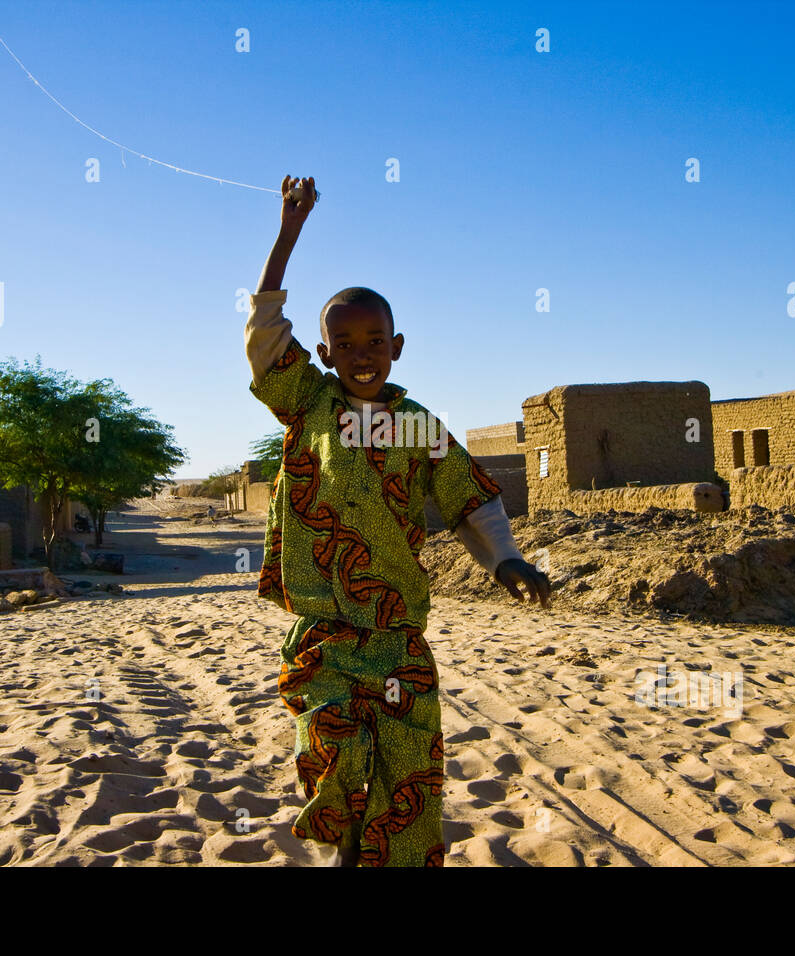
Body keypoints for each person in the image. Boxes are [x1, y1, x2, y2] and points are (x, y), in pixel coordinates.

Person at [246, 174, 550, 867]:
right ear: (324, 354)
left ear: (397, 346)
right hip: (324, 635)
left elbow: (471, 497)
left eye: (374, 339)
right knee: (332, 761)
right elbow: (265, 334)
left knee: (407, 777)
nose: (361, 353)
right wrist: (288, 234)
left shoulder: (418, 427)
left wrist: (505, 559)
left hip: (398, 638)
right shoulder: (308, 405)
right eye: (345, 342)